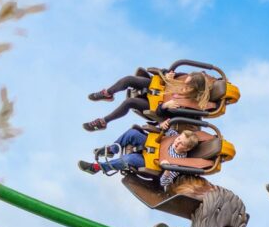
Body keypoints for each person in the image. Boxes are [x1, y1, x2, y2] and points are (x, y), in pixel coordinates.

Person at [84, 70, 220, 130]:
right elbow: (166, 72)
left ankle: (103, 122)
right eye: (185, 82)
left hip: (156, 106)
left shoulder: (188, 106)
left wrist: (166, 106)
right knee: (128, 80)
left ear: (194, 90)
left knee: (129, 103)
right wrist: (168, 74)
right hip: (157, 88)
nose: (184, 85)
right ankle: (108, 93)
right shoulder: (184, 78)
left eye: (187, 87)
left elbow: (163, 116)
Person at [77, 125, 220, 177]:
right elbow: (167, 131)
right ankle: (112, 149)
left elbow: (165, 182)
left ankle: (96, 167)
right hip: (151, 145)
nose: (177, 143)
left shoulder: (179, 163)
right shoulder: (173, 137)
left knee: (130, 159)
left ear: (187, 149)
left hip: (150, 162)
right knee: (133, 133)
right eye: (178, 139)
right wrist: (163, 126)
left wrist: (168, 171)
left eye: (180, 144)